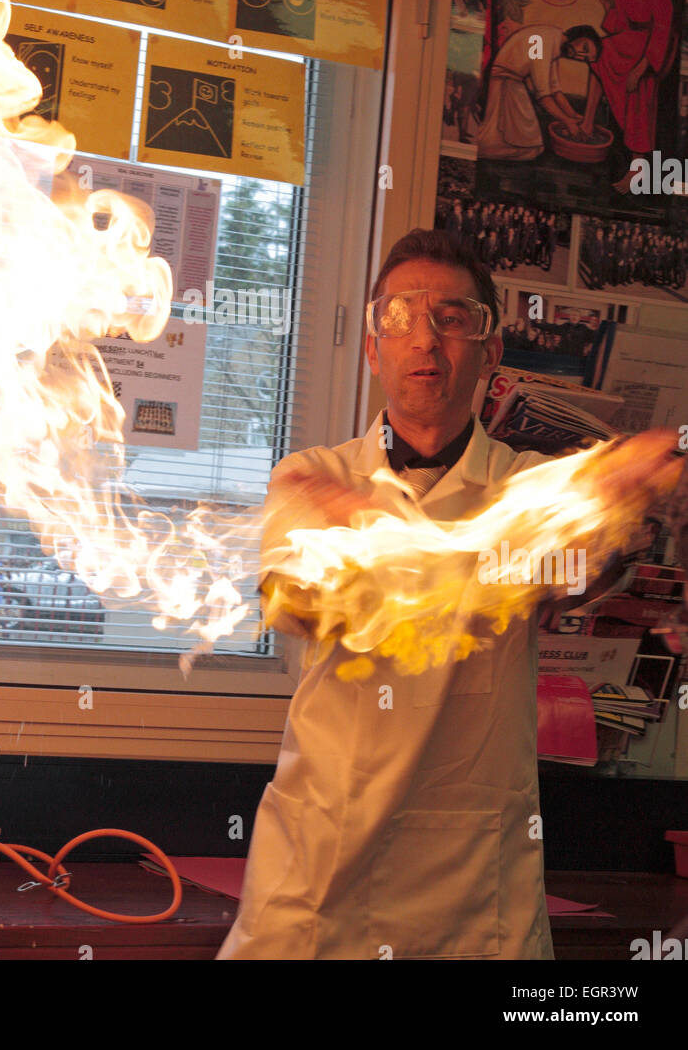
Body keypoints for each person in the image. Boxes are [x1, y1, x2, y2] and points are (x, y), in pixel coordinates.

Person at [216, 228, 674, 961]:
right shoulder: (309, 478)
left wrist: (618, 501)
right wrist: (382, 532)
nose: (424, 339)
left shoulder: (529, 489)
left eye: (452, 318)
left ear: (490, 350)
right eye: (399, 317)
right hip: (323, 866)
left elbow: (580, 570)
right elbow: (304, 606)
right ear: (373, 349)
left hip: (472, 883)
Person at [578, 0, 677, 192]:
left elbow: (664, 19)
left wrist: (643, 64)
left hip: (650, 47)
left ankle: (637, 167)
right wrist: (605, 2)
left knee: (639, 91)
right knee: (598, 54)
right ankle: (587, 121)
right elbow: (621, 24)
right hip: (631, 42)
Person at [477, 24, 599, 161]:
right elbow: (543, 96)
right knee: (525, 148)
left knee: (531, 147)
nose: (579, 55)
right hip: (504, 83)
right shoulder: (542, 40)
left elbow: (555, 90)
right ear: (578, 35)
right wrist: (567, 121)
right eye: (584, 48)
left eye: (585, 58)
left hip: (514, 84)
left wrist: (573, 116)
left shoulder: (554, 42)